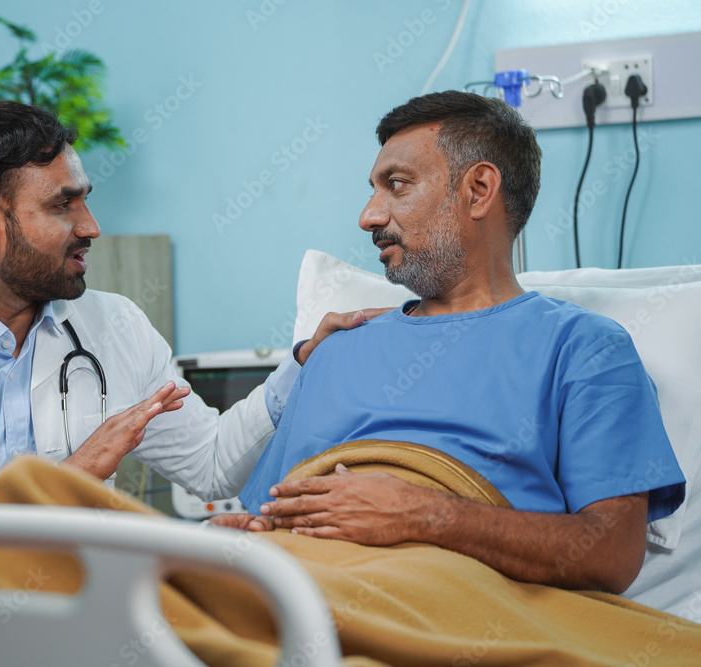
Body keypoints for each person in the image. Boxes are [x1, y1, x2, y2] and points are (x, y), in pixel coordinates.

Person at [0, 100, 374, 598]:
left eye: (85, 201)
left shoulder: (113, 326)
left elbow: (211, 462)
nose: (91, 226)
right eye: (62, 205)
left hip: (53, 629)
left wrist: (298, 366)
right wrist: (67, 480)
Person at [218, 91, 685, 595]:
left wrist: (426, 516)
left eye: (396, 185)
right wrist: (246, 538)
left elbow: (610, 554)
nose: (369, 217)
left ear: (479, 189)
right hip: (297, 598)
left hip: (449, 609)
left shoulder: (582, 349)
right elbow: (270, 514)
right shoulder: (337, 349)